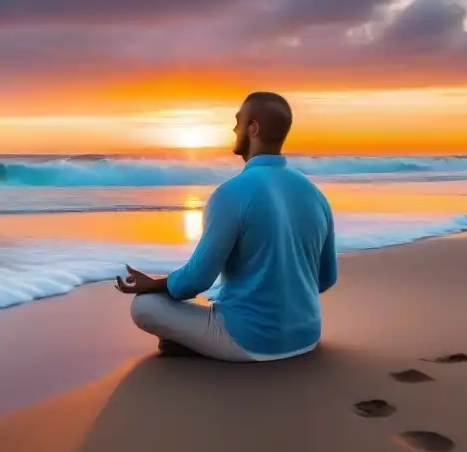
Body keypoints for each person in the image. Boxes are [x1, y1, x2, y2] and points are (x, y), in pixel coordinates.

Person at [115, 92, 337, 362]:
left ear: (252, 128)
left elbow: (195, 282)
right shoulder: (315, 194)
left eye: (239, 121)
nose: (234, 129)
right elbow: (325, 279)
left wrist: (154, 284)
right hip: (307, 337)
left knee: (145, 306)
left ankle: (198, 343)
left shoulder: (231, 193)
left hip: (251, 342)